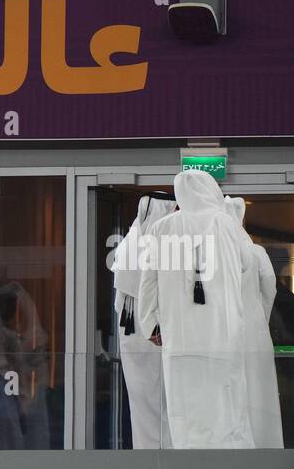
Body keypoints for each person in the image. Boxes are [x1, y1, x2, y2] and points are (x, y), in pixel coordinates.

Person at [136, 169, 257, 449]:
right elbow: (247, 263)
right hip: (220, 339)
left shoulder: (161, 228)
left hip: (179, 342)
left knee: (185, 417)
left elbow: (148, 282)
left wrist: (150, 325)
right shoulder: (226, 224)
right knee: (224, 415)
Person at [112, 195, 176, 448]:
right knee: (157, 408)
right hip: (150, 338)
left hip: (140, 338)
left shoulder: (131, 242)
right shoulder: (150, 244)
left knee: (148, 409)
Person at [226, 195, 283, 449]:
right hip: (254, 333)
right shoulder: (255, 252)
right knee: (259, 396)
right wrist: (260, 319)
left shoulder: (214, 255)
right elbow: (269, 290)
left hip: (224, 336)